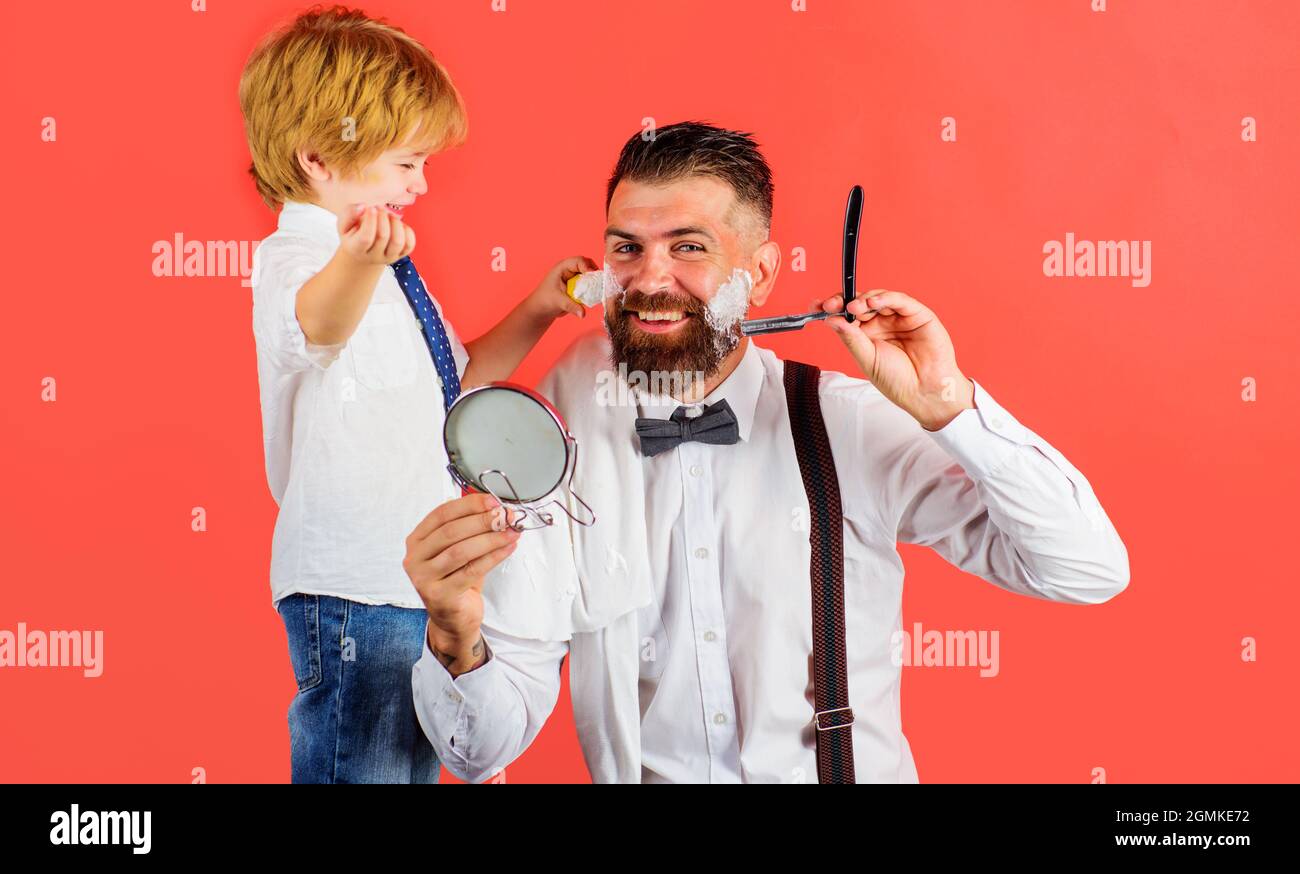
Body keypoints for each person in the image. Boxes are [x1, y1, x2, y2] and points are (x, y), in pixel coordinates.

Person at [403, 121, 1130, 783]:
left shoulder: (843, 423)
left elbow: (1087, 570)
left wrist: (951, 407)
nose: (650, 279)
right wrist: (455, 634)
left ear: (760, 274)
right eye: (627, 248)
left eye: (689, 247)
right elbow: (479, 752)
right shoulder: (554, 445)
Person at [239, 6, 587, 783]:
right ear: (319, 159)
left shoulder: (387, 271)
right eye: (407, 163)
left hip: (415, 586)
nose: (421, 184)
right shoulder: (299, 258)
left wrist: (538, 307)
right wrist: (358, 264)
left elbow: (457, 382)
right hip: (355, 588)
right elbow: (315, 327)